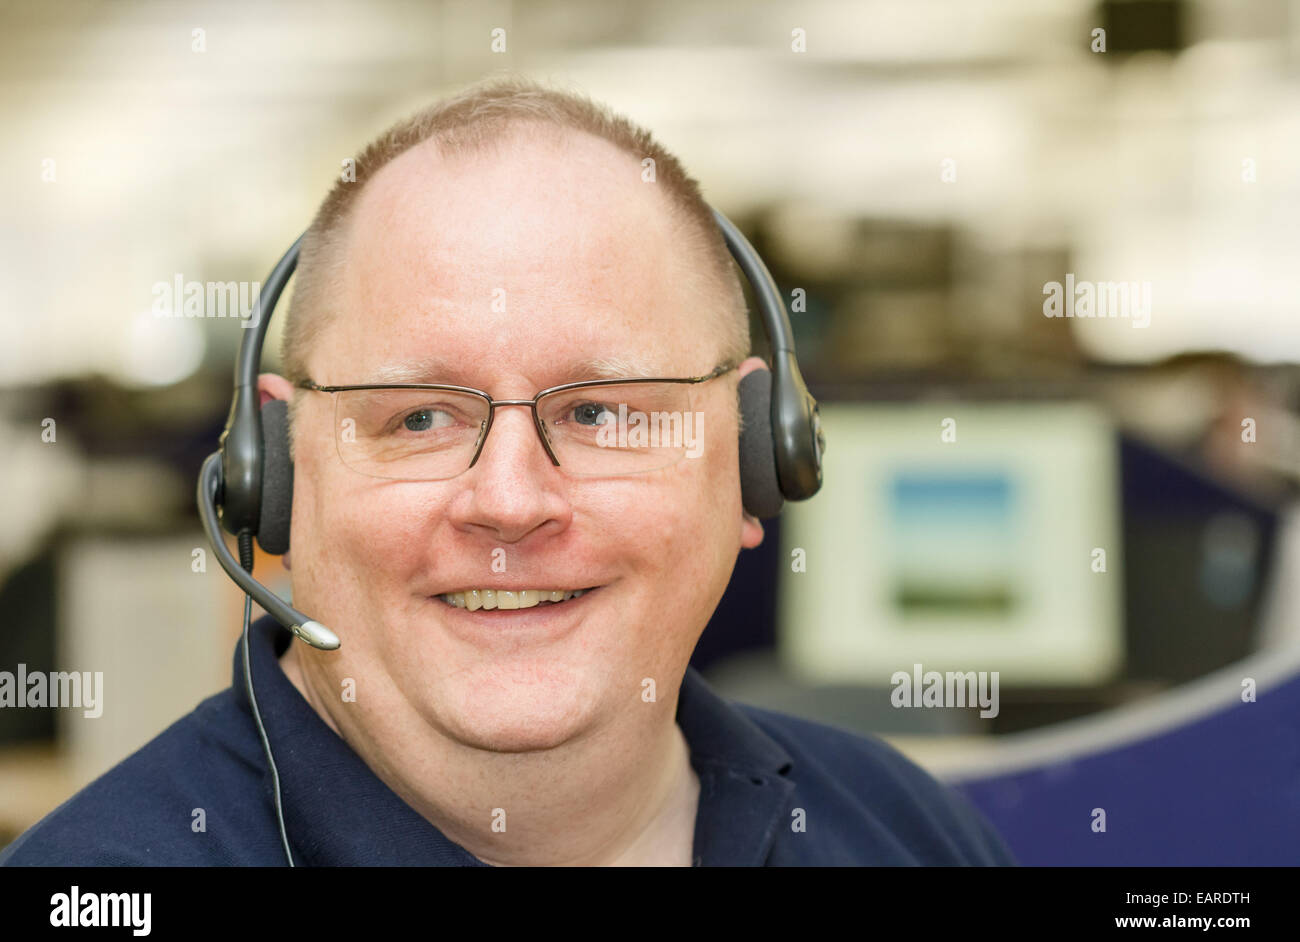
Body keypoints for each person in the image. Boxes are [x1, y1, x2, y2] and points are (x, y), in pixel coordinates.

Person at [1, 76, 1015, 866]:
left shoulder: (901, 826)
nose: (509, 499)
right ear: (280, 476)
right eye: (420, 417)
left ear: (754, 459)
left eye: (605, 410)